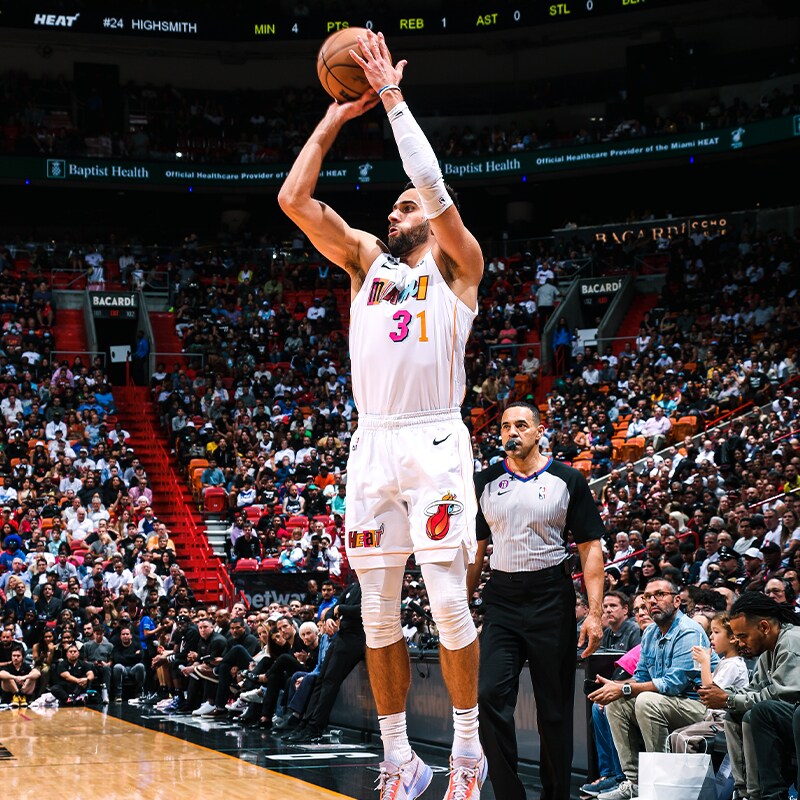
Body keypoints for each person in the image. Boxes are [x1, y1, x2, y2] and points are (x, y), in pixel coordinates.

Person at [279, 29, 486, 800]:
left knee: (446, 597)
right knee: (373, 608)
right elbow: (293, 200)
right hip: (372, 444)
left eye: (406, 205)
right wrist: (339, 114)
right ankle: (400, 758)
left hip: (434, 436)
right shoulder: (367, 260)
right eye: (393, 206)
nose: (395, 210)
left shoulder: (461, 267)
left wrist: (393, 101)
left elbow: (430, 183)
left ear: (429, 218)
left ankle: (467, 753)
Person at [467, 401, 605, 800]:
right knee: (488, 695)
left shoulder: (567, 479)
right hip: (503, 600)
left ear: (539, 431)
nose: (512, 432)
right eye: (506, 426)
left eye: (521, 425)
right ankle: (510, 795)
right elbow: (477, 553)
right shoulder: (485, 482)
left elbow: (590, 550)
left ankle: (556, 795)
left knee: (555, 711)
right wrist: (459, 604)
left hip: (551, 599)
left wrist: (594, 614)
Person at [588, 578, 714, 800]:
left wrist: (624, 689)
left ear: (676, 601)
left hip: (700, 706)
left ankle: (661, 782)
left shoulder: (688, 631)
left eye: (659, 595)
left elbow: (674, 684)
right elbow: (642, 677)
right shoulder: (650, 633)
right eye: (647, 596)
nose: (652, 601)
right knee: (615, 703)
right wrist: (616, 687)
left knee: (646, 700)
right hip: (668, 702)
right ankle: (634, 782)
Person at [698, 592, 800, 800]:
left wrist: (728, 699)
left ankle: (769, 795)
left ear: (764, 627)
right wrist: (727, 698)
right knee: (734, 714)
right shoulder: (767, 651)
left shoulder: (791, 642)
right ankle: (746, 793)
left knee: (760, 712)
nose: (739, 642)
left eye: (743, 636)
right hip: (788, 716)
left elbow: (784, 696)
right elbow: (754, 688)